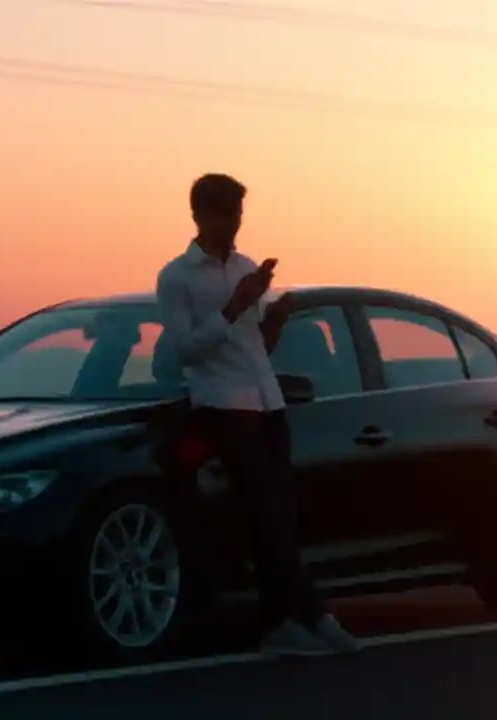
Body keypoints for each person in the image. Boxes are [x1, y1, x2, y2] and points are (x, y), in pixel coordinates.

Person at [155, 173, 360, 656]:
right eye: (228, 216)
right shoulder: (176, 276)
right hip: (223, 406)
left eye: (240, 216)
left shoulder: (244, 266)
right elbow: (183, 351)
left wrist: (275, 318)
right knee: (265, 514)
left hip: (267, 401)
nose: (236, 227)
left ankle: (291, 620)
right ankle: (302, 618)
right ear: (202, 216)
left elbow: (257, 346)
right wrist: (233, 307)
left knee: (280, 518)